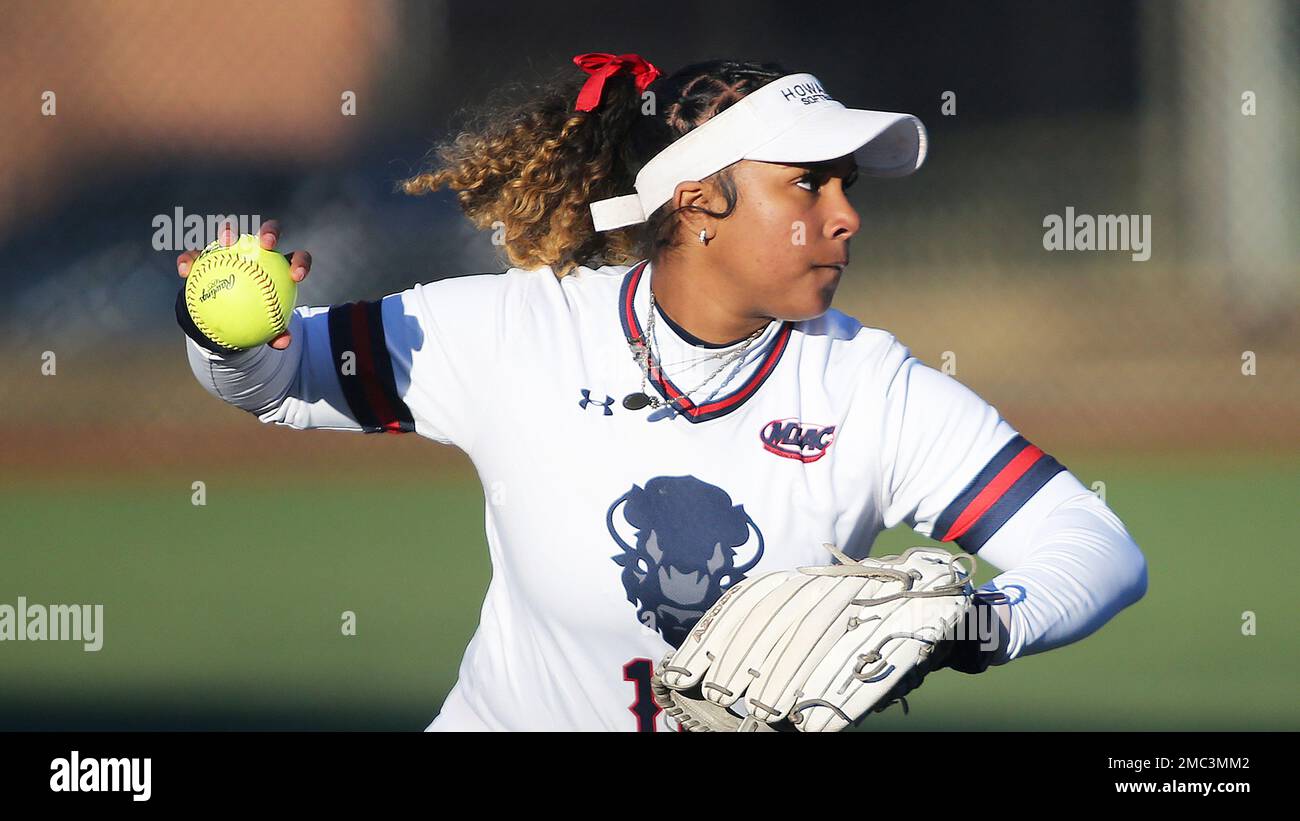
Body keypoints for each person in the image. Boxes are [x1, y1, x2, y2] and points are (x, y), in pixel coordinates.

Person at [175, 54, 1148, 732]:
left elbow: (1094, 545)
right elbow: (279, 379)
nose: (846, 215)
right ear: (694, 200)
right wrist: (226, 334)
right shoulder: (521, 328)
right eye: (808, 185)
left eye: (846, 185)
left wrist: (980, 623)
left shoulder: (867, 387)